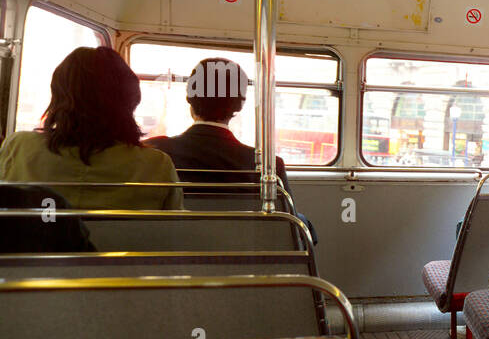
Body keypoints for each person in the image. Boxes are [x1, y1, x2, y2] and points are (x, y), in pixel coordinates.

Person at [0, 46, 181, 210]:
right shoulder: (156, 165)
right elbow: (175, 228)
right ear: (130, 100)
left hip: (34, 246)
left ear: (58, 95)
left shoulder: (19, 147)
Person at [144, 58, 292, 197]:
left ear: (189, 98)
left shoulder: (154, 150)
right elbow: (285, 220)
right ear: (239, 105)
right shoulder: (269, 166)